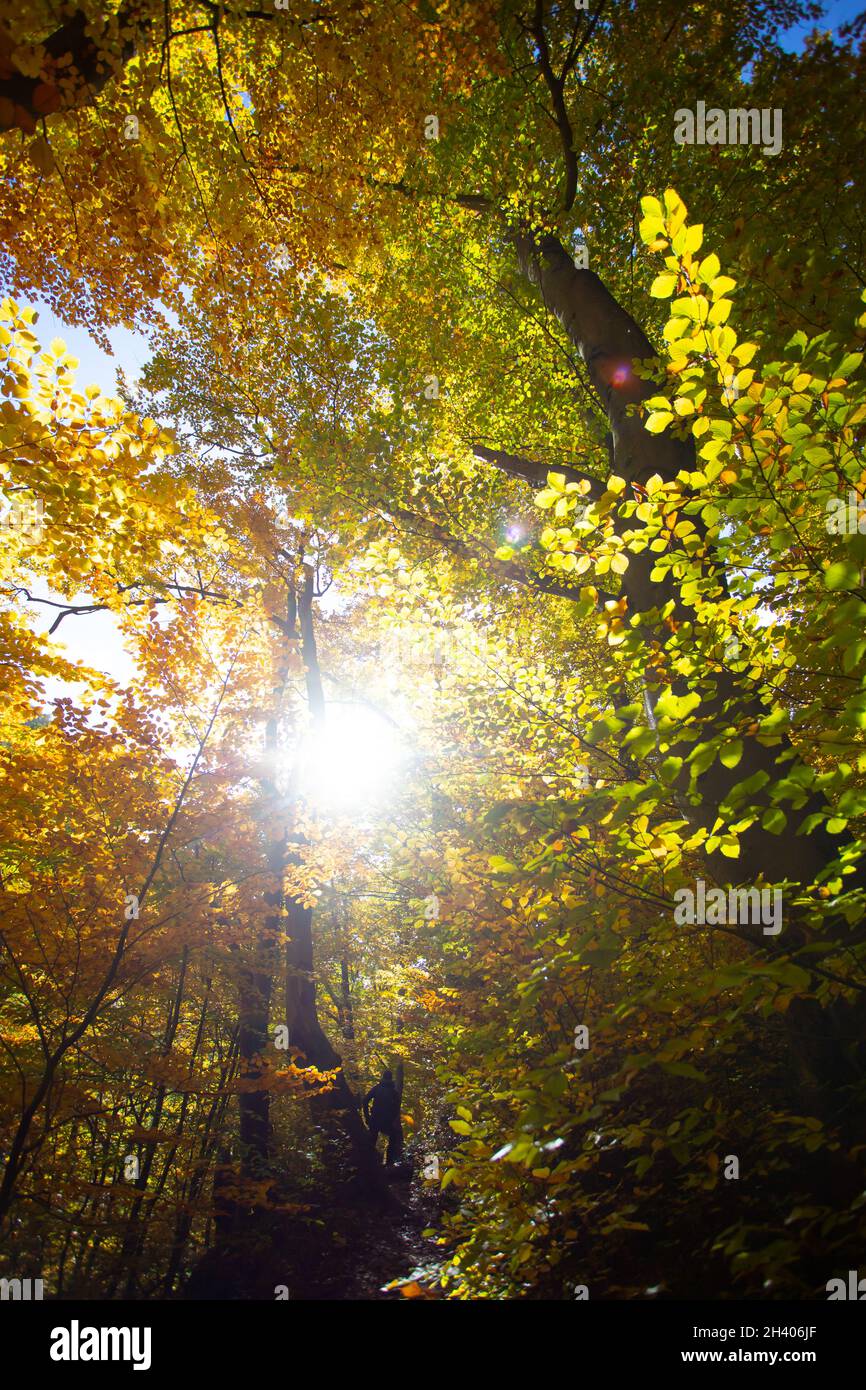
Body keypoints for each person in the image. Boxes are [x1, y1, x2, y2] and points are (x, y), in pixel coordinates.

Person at [363, 1069, 402, 1164]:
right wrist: (392, 1119)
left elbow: (365, 1101)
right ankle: (389, 1162)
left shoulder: (377, 1088)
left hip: (375, 1120)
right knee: (394, 1138)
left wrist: (367, 1117)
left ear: (383, 1077)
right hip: (386, 1121)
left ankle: (369, 1162)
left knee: (371, 1141)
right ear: (391, 1078)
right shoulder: (394, 1092)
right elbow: (397, 1108)